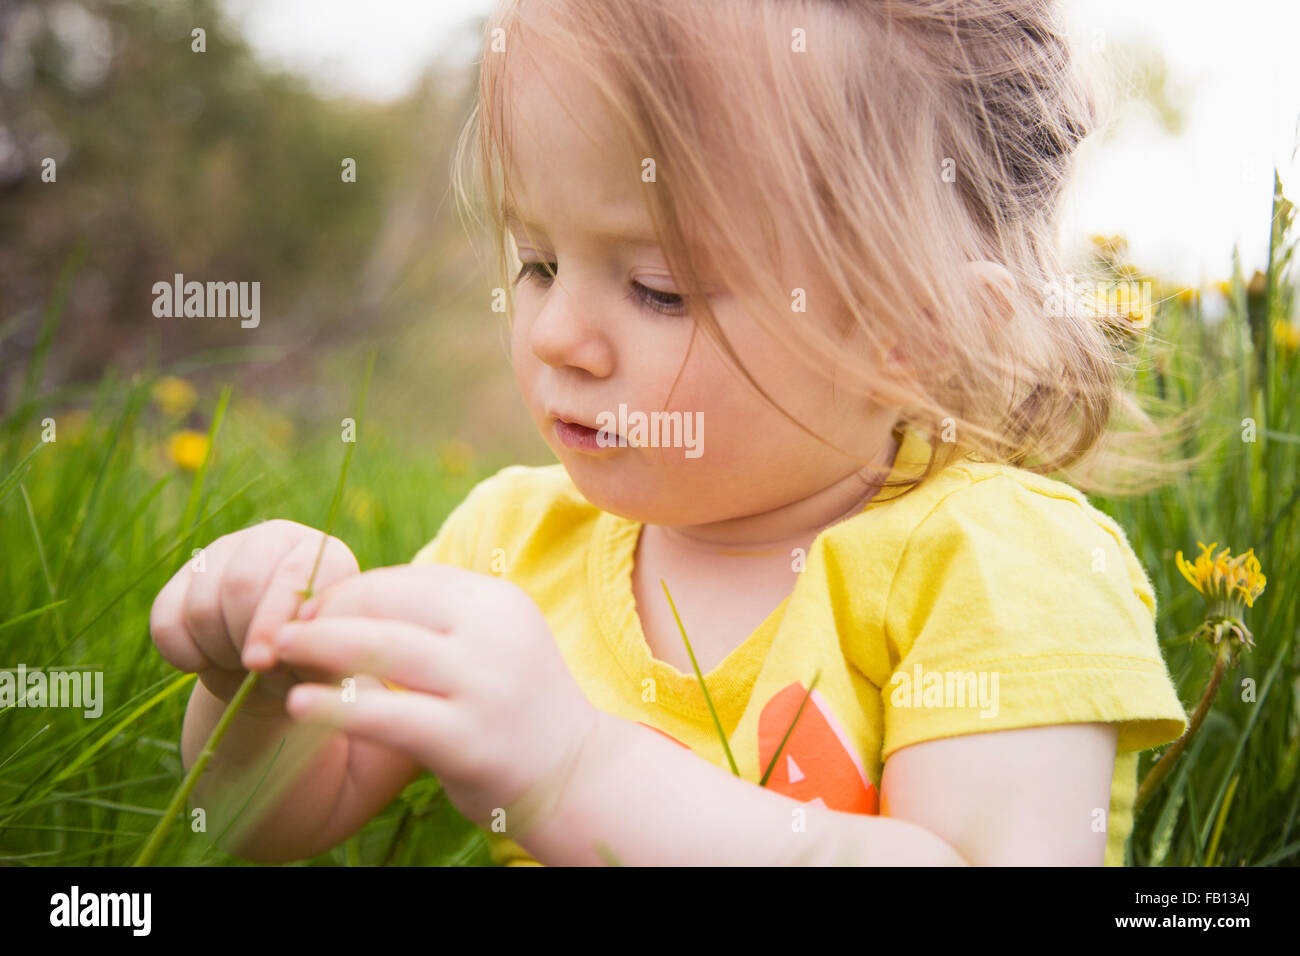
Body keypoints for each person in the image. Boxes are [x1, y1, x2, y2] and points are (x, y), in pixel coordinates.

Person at [150, 0, 1189, 866]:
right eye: (537, 262)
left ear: (907, 334)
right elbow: (270, 825)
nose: (557, 334)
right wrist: (255, 686)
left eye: (659, 288)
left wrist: (577, 769)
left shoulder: (997, 567)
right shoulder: (512, 543)